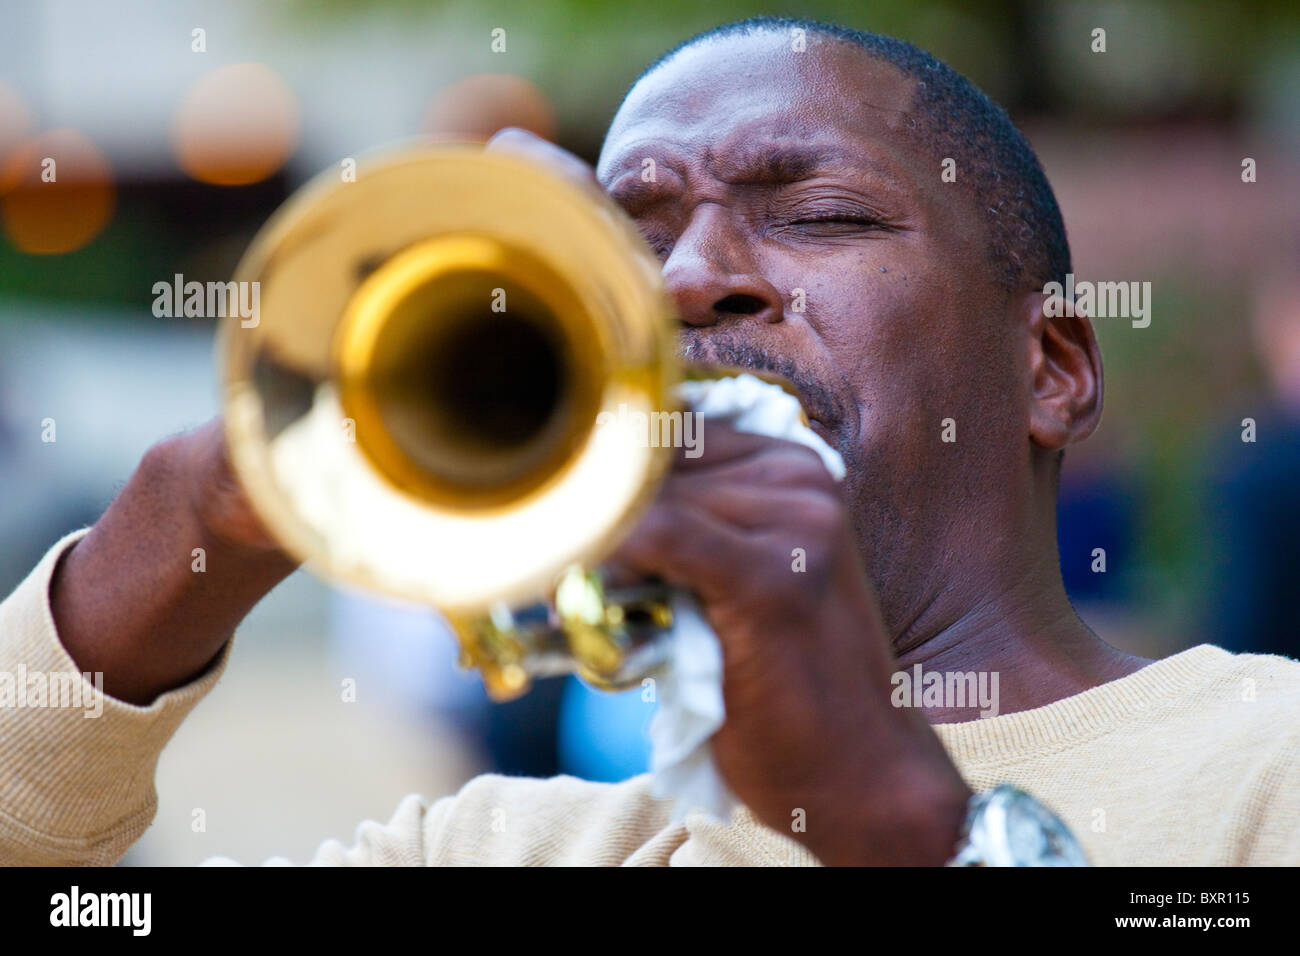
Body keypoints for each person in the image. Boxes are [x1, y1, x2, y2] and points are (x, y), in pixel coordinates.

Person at [3, 16, 1299, 866]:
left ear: (1053, 370)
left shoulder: (1266, 764)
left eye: (824, 216)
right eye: (629, 243)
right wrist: (168, 543)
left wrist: (894, 824)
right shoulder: (502, 846)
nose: (683, 285)